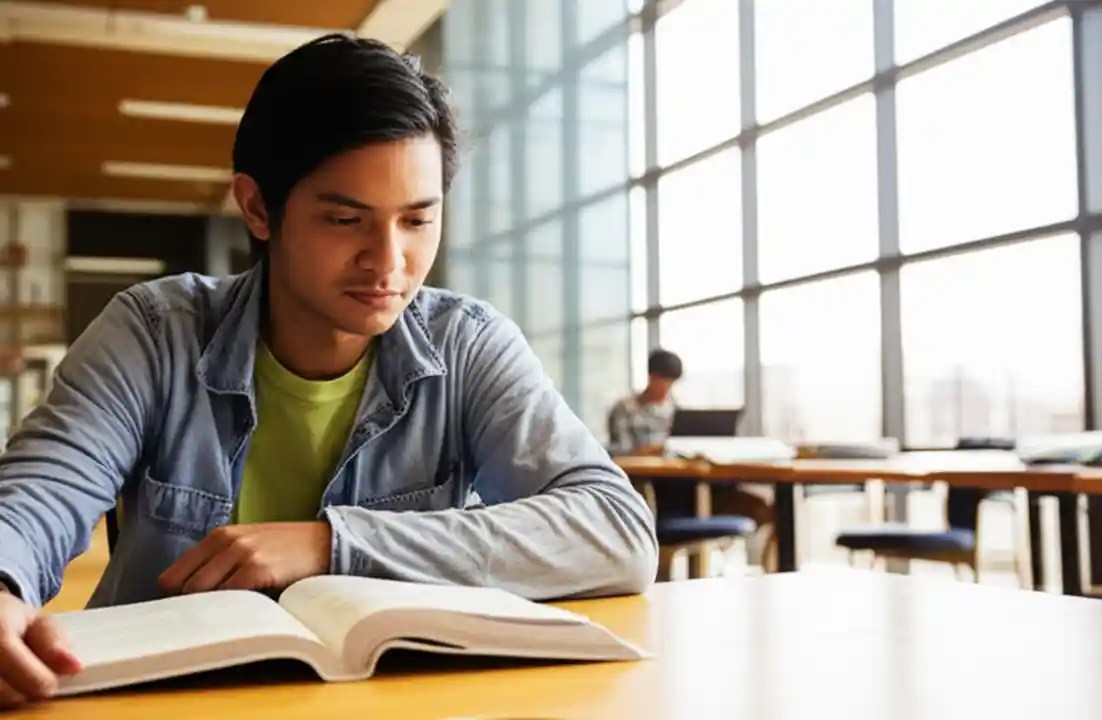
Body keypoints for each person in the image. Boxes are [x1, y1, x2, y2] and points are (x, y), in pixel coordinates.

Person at [0, 34, 656, 708]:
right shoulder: (153, 332)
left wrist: (333, 544)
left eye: (417, 220)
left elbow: (614, 530)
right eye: (346, 219)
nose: (389, 261)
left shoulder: (466, 345)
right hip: (163, 702)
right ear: (258, 208)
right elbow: (43, 491)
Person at [607, 350, 773, 562]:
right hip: (654, 492)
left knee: (764, 507)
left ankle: (768, 572)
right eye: (665, 382)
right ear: (651, 377)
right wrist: (658, 448)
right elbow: (620, 455)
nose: (668, 389)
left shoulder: (675, 408)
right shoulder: (625, 409)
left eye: (672, 383)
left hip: (692, 484)